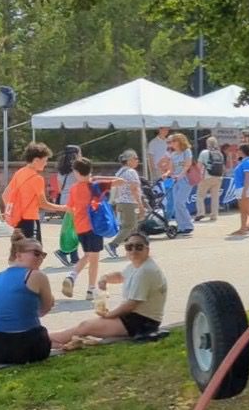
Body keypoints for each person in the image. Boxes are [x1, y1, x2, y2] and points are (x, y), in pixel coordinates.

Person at [50, 232, 167, 347]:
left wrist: (109, 315)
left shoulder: (145, 271)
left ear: (147, 250)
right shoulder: (138, 265)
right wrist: (105, 278)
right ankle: (52, 340)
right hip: (137, 318)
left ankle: (48, 339)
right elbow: (121, 276)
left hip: (142, 322)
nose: (133, 250)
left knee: (85, 326)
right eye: (129, 247)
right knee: (85, 327)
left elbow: (131, 305)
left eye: (139, 247)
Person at [0, 231, 54, 366]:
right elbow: (47, 307)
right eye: (36, 253)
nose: (41, 258)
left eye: (43, 255)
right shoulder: (37, 275)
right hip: (28, 347)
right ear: (18, 255)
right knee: (40, 334)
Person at [60, 158, 120, 299]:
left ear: (76, 172)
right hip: (95, 226)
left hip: (80, 227)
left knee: (88, 255)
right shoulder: (97, 185)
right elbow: (120, 181)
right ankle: (91, 289)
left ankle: (72, 276)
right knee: (94, 258)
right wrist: (99, 178)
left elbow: (69, 208)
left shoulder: (74, 188)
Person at [2, 142, 65, 242]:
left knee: (20, 253)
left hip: (18, 222)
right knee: (34, 253)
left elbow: (5, 195)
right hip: (30, 221)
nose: (46, 163)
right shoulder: (37, 179)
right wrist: (64, 208)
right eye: (45, 160)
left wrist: (15, 213)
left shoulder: (20, 172)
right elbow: (43, 204)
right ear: (36, 160)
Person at [107, 149, 144, 257]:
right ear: (128, 161)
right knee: (130, 226)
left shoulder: (120, 172)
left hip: (120, 202)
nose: (137, 160)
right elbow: (134, 189)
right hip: (130, 202)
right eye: (135, 158)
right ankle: (113, 245)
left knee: (130, 226)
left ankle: (134, 248)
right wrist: (140, 204)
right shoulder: (131, 172)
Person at [166, 132, 196, 233]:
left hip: (185, 179)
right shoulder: (173, 154)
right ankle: (181, 226)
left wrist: (181, 175)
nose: (172, 143)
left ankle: (188, 225)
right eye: (171, 141)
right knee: (176, 203)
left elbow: (187, 165)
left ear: (180, 141)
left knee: (180, 202)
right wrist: (167, 174)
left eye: (174, 141)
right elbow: (171, 169)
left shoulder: (186, 151)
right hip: (175, 180)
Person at [229, 144, 249, 237]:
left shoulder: (247, 162)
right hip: (241, 187)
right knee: (243, 209)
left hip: (245, 187)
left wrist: (244, 191)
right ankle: (243, 228)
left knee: (248, 209)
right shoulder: (244, 161)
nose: (237, 151)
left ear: (242, 151)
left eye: (239, 150)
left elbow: (248, 177)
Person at [196, 135, 226, 221]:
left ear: (207, 143)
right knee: (215, 197)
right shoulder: (220, 153)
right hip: (218, 177)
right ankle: (214, 215)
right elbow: (223, 167)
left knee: (200, 196)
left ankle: (201, 213)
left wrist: (198, 176)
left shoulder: (204, 152)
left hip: (206, 176)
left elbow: (199, 166)